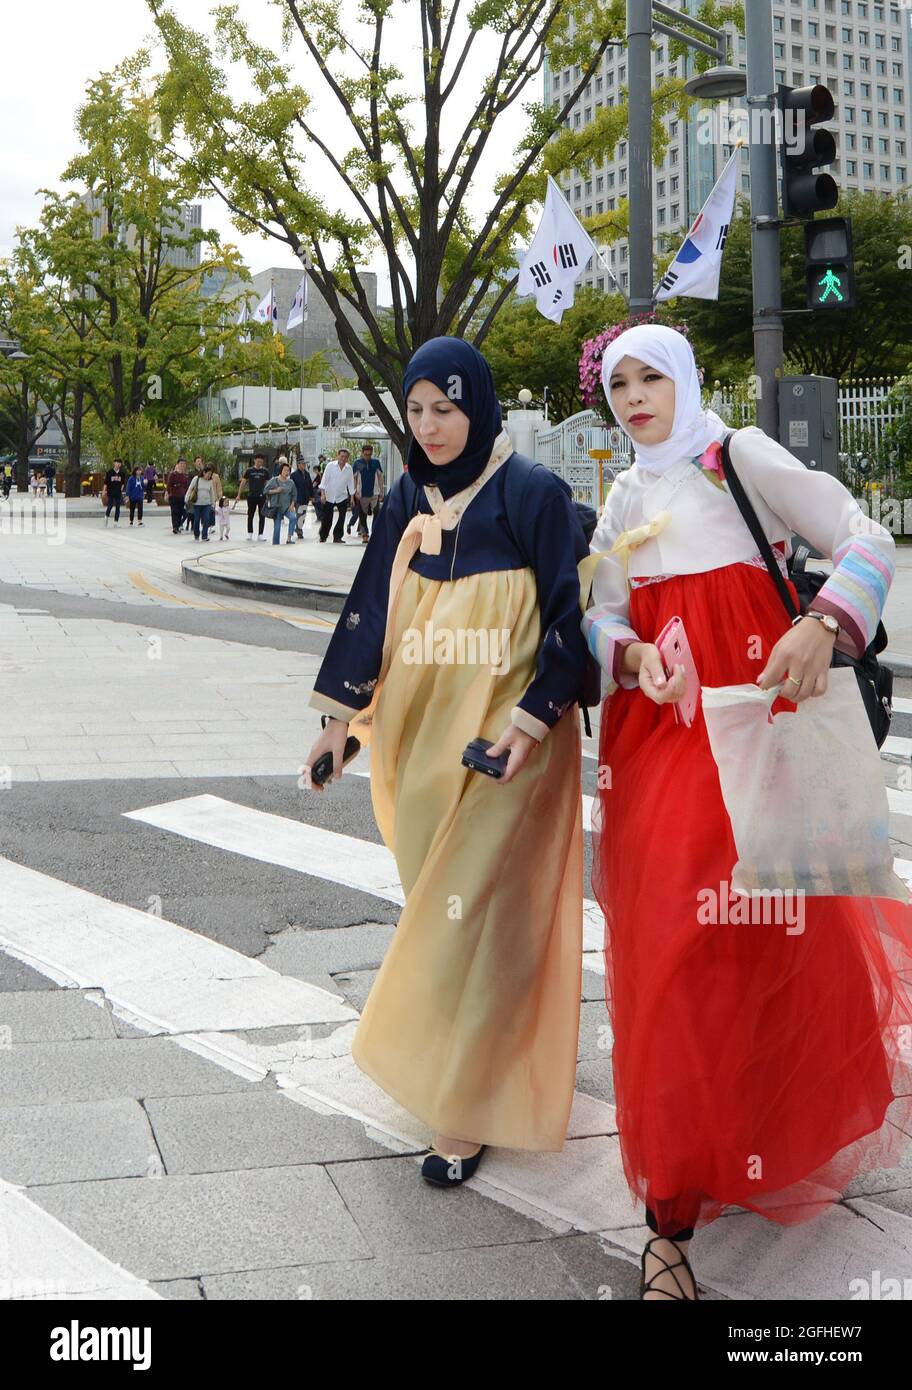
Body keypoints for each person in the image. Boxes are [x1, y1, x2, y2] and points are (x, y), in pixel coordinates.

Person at [583, 323, 912, 1301]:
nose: (635, 396)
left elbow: (867, 533)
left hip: (758, 726)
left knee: (774, 941)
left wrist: (823, 623)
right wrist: (632, 655)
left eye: (652, 377)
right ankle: (669, 1214)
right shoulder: (625, 492)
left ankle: (754, 1134)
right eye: (620, 382)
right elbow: (597, 609)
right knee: (670, 951)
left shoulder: (737, 456)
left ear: (684, 380)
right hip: (661, 747)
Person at [303, 336, 590, 1188]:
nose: (430, 426)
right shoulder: (405, 499)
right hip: (422, 742)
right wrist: (341, 726)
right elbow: (370, 615)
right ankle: (462, 1061)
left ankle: (462, 1108)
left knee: (485, 915)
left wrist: (534, 719)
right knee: (442, 907)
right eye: (417, 409)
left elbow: (573, 624)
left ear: (481, 406)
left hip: (512, 747)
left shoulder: (534, 495)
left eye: (447, 407)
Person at [318, 447, 355, 543]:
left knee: (342, 517)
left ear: (348, 458)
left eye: (345, 457)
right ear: (338, 456)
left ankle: (337, 536)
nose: (343, 459)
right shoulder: (330, 466)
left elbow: (351, 483)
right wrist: (322, 494)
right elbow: (324, 480)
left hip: (342, 496)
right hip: (329, 495)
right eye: (342, 456)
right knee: (327, 518)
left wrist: (352, 498)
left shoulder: (349, 468)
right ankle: (323, 536)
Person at [354, 443, 384, 544]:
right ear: (362, 453)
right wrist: (355, 492)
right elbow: (354, 478)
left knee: (377, 513)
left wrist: (381, 491)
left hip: (374, 493)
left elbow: (380, 477)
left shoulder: (375, 462)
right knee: (363, 515)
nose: (368, 456)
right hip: (362, 493)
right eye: (366, 454)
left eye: (369, 454)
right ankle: (364, 534)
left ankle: (375, 533)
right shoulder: (357, 463)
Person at [237, 452, 270, 542]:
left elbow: (267, 484)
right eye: (258, 461)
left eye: (261, 462)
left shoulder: (265, 471)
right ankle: (250, 533)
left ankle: (260, 534)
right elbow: (243, 483)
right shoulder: (249, 471)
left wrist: (268, 496)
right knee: (250, 515)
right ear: (255, 460)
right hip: (251, 496)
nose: (259, 463)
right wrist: (239, 495)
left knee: (262, 515)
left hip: (262, 497)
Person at [185, 464, 222, 541]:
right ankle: (196, 535)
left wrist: (213, 503)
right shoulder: (196, 479)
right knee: (197, 519)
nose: (209, 476)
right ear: (204, 472)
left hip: (207, 504)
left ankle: (204, 536)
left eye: (210, 474)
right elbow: (190, 489)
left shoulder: (210, 481)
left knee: (206, 519)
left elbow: (211, 493)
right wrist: (186, 499)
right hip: (197, 504)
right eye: (208, 474)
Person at [263, 461, 297, 544]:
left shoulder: (291, 482)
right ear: (281, 471)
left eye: (288, 471)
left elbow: (294, 494)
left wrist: (292, 505)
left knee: (293, 518)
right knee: (277, 527)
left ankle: (289, 539)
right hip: (277, 507)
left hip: (287, 507)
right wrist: (276, 491)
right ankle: (275, 543)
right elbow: (265, 491)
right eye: (285, 470)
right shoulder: (273, 480)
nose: (287, 472)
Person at [291, 456, 315, 537]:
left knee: (303, 516)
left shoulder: (307, 474)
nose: (303, 465)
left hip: (305, 498)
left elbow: (310, 486)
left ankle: (298, 528)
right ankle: (299, 532)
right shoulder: (294, 475)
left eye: (304, 464)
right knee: (299, 515)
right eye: (302, 464)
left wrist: (312, 496)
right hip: (298, 498)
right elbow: (292, 487)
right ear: (298, 465)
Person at [166, 459, 190, 534]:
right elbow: (169, 484)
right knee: (175, 512)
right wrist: (168, 493)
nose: (182, 465)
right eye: (181, 463)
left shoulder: (185, 476)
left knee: (181, 512)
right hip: (174, 496)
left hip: (182, 496)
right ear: (177, 464)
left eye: (184, 464)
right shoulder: (173, 474)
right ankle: (175, 527)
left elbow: (186, 487)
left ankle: (179, 525)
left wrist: (187, 495)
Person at [103, 459, 126, 525]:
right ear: (114, 463)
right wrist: (104, 491)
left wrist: (121, 489)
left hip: (118, 492)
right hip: (110, 492)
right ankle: (106, 516)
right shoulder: (109, 472)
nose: (118, 464)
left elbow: (123, 483)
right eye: (117, 463)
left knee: (118, 507)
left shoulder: (122, 473)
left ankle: (116, 522)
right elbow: (106, 483)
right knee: (110, 505)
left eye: (119, 463)